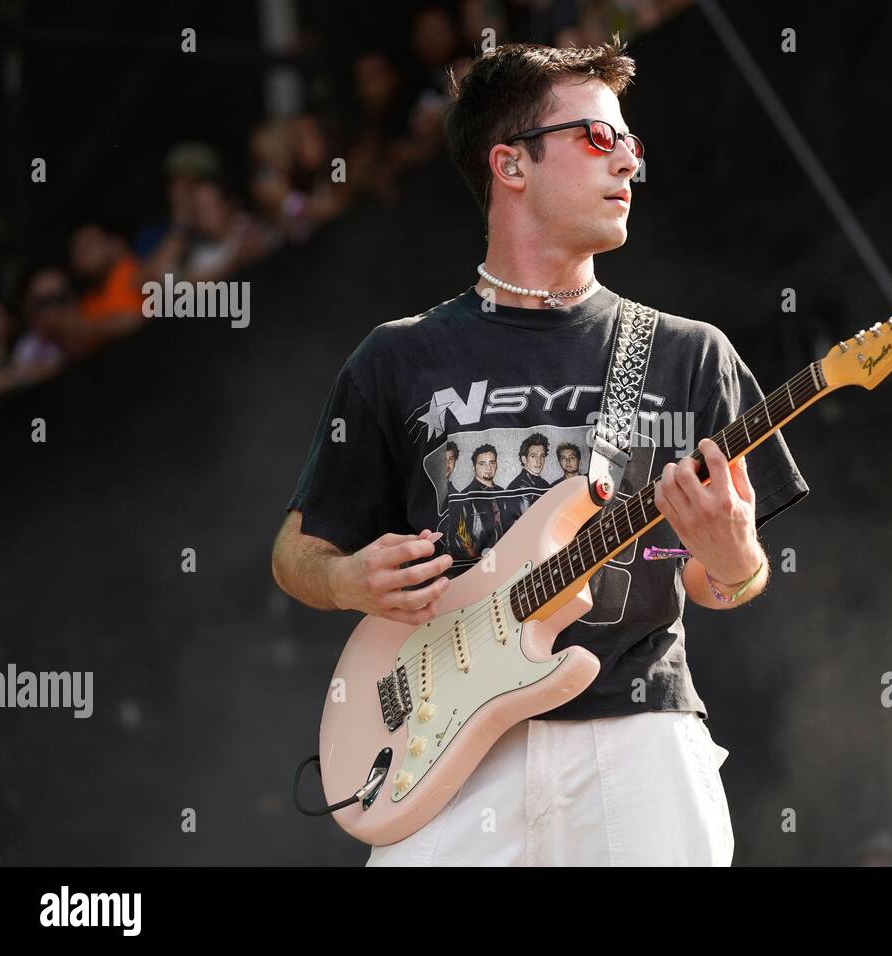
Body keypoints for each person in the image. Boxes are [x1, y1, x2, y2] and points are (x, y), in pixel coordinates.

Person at [271, 37, 809, 866]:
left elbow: (725, 582)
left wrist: (733, 555)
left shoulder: (687, 354)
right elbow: (295, 552)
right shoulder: (397, 357)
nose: (628, 161)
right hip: (445, 747)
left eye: (633, 142)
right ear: (510, 165)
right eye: (599, 137)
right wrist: (346, 580)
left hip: (638, 736)